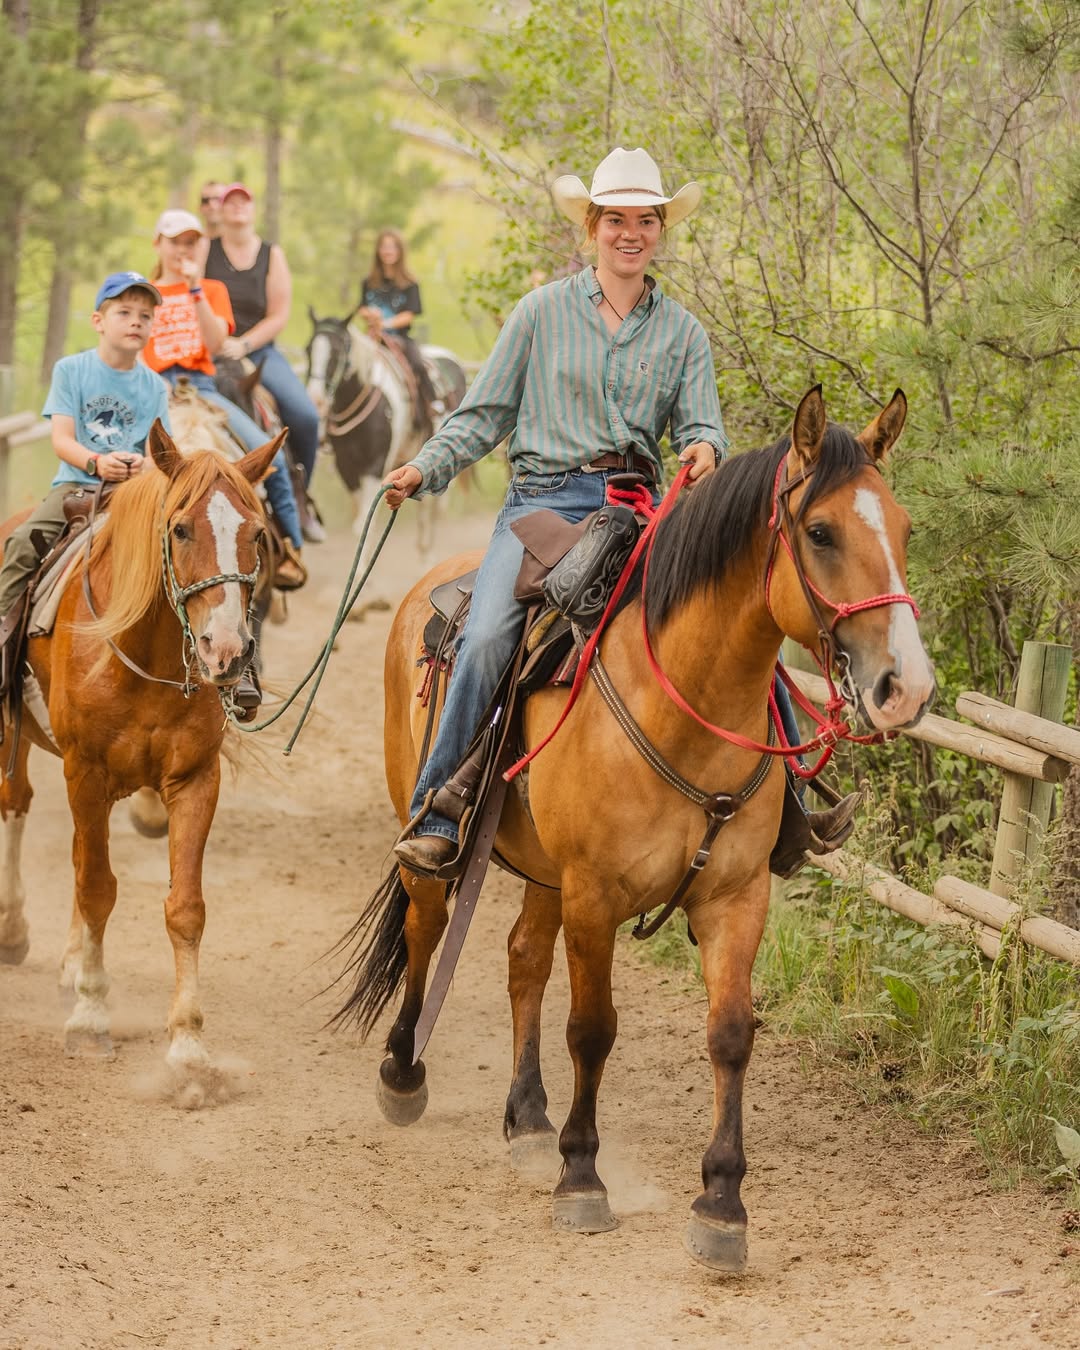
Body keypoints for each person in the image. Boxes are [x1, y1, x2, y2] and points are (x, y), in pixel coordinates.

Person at [384, 148, 728, 875]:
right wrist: (426, 465)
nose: (629, 233)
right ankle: (439, 805)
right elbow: (484, 415)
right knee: (483, 642)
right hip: (542, 504)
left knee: (730, 617)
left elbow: (702, 428)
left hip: (637, 506)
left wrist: (703, 451)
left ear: (661, 230)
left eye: (645, 220)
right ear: (591, 228)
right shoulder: (540, 313)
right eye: (615, 220)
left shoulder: (684, 333)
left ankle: (784, 804)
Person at [0, 271, 170, 654]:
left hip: (133, 493)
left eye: (145, 316)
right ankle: (3, 635)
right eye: (124, 312)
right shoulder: (71, 370)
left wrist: (141, 467)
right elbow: (62, 439)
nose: (135, 322)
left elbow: (159, 455)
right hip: (77, 485)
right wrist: (97, 463)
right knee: (23, 542)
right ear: (99, 321)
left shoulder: (155, 386)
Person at [142, 207, 306, 584]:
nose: (182, 249)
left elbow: (216, 342)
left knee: (269, 457)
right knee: (123, 469)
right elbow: (133, 346)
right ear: (158, 244)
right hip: (153, 390)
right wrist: (147, 381)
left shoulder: (212, 291)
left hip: (200, 388)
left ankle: (289, 549)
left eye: (190, 243)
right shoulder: (143, 293)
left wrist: (194, 288)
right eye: (175, 242)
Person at [201, 183, 324, 539]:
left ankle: (300, 498)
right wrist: (219, 340)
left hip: (257, 349)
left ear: (253, 211)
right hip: (211, 349)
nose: (237, 207)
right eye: (230, 202)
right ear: (220, 211)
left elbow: (278, 315)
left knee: (305, 416)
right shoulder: (205, 250)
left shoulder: (272, 255)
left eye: (244, 201)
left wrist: (244, 344)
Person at [359, 228, 441, 428]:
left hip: (400, 338)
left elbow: (409, 315)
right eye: (384, 247)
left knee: (417, 364)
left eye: (392, 247)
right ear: (378, 251)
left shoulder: (410, 283)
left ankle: (431, 405)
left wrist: (384, 324)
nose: (388, 251)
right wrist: (370, 315)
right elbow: (361, 307)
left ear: (400, 251)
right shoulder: (369, 282)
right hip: (372, 337)